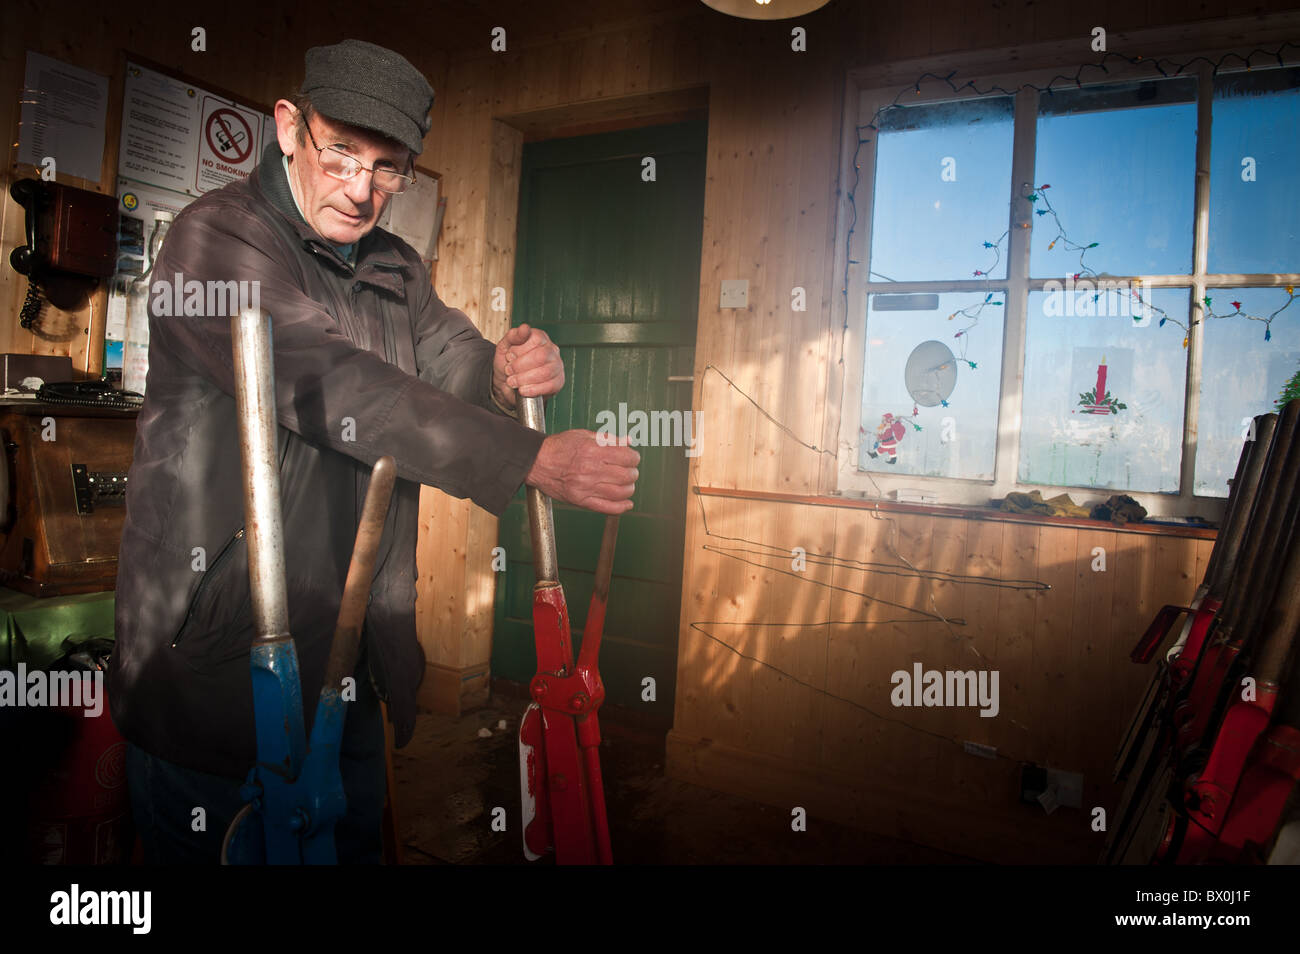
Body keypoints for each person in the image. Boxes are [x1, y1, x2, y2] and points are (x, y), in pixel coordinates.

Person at [108, 39, 639, 863]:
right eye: (342, 154)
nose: (361, 191)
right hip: (219, 665)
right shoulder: (214, 242)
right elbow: (340, 385)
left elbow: (451, 357)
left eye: (388, 169)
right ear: (289, 128)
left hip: (349, 657)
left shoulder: (395, 266)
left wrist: (500, 374)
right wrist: (528, 459)